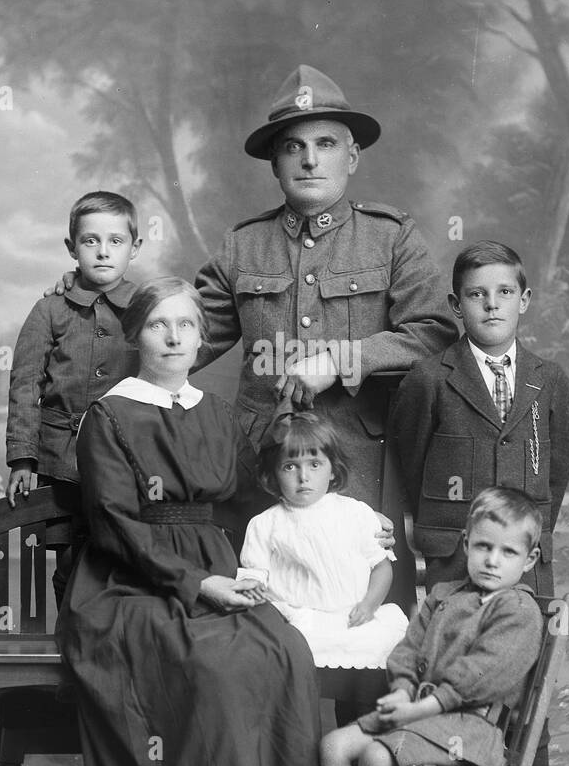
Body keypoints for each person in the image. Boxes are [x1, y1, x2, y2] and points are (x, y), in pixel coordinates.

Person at [54, 276, 326, 766]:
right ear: (136, 335)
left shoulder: (215, 412)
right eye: (158, 325)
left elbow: (247, 499)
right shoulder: (110, 414)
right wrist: (197, 583)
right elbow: (114, 524)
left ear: (203, 339)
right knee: (211, 669)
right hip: (128, 581)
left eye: (186, 326)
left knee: (285, 651)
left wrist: (342, 526)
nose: (174, 337)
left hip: (213, 565)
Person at [389, 240, 569, 766]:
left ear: (525, 299)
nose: (491, 303)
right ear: (456, 305)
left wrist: (528, 548)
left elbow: (556, 470)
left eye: (505, 291)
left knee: (526, 697)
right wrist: (429, 550)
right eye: (477, 293)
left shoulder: (547, 379)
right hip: (452, 561)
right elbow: (404, 463)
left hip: (526, 567)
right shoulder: (430, 378)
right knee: (440, 683)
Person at [192, 64, 458, 512]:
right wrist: (94, 295)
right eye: (294, 146)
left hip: (359, 464)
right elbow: (183, 338)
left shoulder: (391, 236)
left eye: (325, 144)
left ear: (351, 158)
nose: (310, 160)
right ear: (275, 162)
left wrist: (340, 360)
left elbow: (434, 330)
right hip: (263, 466)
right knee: (262, 580)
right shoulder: (243, 245)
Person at [297, 487, 545, 766]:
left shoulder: (518, 611)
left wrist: (418, 709)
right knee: (333, 745)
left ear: (529, 560)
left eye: (507, 552)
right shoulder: (445, 594)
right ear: (466, 544)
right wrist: (400, 690)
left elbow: (480, 676)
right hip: (417, 714)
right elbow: (408, 650)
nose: (492, 560)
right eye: (484, 546)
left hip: (469, 729)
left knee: (375, 759)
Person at [238, 410, 409, 671]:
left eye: (314, 464)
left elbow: (381, 567)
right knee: (281, 651)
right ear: (273, 475)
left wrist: (369, 605)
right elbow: (255, 576)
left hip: (353, 618)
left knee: (383, 646)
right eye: (290, 466)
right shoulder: (265, 524)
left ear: (332, 470)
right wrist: (255, 588)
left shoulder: (356, 513)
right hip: (298, 621)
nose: (303, 477)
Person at [5, 190, 142, 503]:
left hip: (129, 459)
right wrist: (23, 459)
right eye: (90, 241)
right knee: (68, 547)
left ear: (135, 248)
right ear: (72, 248)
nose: (103, 252)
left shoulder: (147, 309)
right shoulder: (49, 309)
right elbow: (25, 386)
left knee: (120, 547)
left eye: (116, 241)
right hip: (58, 461)